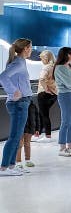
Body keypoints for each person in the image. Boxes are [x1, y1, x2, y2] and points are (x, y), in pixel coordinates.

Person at [0, 38, 34, 176]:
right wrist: (13, 91)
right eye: (30, 47)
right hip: (19, 103)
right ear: (25, 48)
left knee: (17, 135)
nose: (31, 50)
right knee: (15, 136)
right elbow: (2, 77)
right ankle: (3, 167)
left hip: (21, 103)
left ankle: (11, 166)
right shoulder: (18, 62)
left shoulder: (21, 62)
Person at [36, 49, 58, 142]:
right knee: (42, 114)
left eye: (42, 58)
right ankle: (38, 134)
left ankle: (47, 136)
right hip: (54, 94)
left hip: (44, 94)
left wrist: (45, 89)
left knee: (44, 115)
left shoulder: (46, 67)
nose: (41, 60)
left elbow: (41, 79)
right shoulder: (56, 67)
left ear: (46, 58)